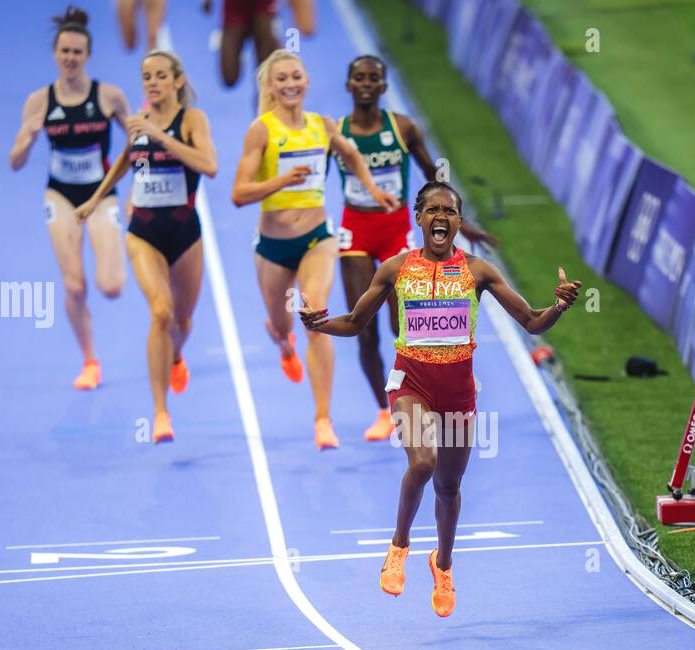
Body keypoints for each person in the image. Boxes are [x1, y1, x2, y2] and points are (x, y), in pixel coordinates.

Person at [301, 183, 581, 616]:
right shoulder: (395, 269)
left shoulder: (479, 272)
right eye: (432, 209)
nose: (440, 217)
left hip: (457, 392)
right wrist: (319, 325)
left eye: (449, 211)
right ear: (419, 219)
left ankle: (443, 565)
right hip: (411, 382)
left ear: (458, 223)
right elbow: (357, 322)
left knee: (448, 488)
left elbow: (530, 321)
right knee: (423, 463)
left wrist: (559, 307)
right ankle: (399, 546)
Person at [231, 50, 397, 450]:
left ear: (306, 81)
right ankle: (283, 342)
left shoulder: (323, 125)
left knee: (316, 316)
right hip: (272, 247)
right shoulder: (261, 130)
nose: (289, 84)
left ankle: (323, 419)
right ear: (270, 86)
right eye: (281, 78)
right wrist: (282, 180)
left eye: (296, 77)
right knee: (283, 326)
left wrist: (373, 190)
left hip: (317, 240)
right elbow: (239, 194)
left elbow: (352, 154)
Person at [335, 54, 496, 441]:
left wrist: (462, 221)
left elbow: (433, 175)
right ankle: (382, 409)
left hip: (396, 235)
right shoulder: (336, 134)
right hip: (355, 232)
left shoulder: (403, 128)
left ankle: (442, 380)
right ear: (349, 85)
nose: (367, 84)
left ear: (384, 86)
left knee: (401, 324)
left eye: (375, 78)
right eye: (359, 78)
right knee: (364, 326)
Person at [79, 51, 218, 444]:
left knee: (183, 321)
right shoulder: (137, 122)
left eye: (160, 75)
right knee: (161, 312)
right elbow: (125, 161)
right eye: (146, 77)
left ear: (177, 81)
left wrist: (161, 137)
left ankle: (176, 356)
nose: (152, 82)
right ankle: (160, 412)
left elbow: (209, 165)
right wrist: (95, 198)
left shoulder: (192, 120)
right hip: (142, 232)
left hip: (185, 233)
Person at [9, 6, 129, 390]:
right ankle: (90, 360)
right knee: (75, 286)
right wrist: (27, 139)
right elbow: (14, 163)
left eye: (77, 52)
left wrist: (137, 189)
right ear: (55, 54)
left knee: (111, 286)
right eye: (65, 52)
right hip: (60, 195)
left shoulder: (109, 97)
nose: (71, 59)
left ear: (88, 55)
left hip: (101, 193)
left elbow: (138, 142)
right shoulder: (39, 102)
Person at [201, 0, 317, 89]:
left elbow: (307, 28)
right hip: (235, 6)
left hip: (263, 6)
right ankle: (247, 47)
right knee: (229, 78)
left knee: (266, 77)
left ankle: (274, 50)